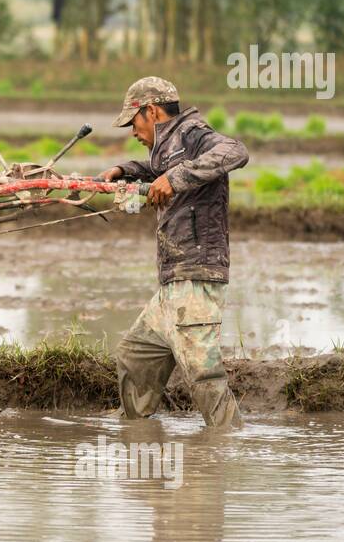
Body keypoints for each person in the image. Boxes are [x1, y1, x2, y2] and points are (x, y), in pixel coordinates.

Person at [96, 76, 249, 428]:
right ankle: (137, 430)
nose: (132, 131)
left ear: (150, 110)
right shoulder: (166, 147)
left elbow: (235, 151)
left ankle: (228, 441)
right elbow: (157, 170)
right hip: (172, 285)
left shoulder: (193, 133)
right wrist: (124, 170)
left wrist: (176, 178)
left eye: (133, 121)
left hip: (196, 277)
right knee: (136, 356)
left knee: (202, 373)